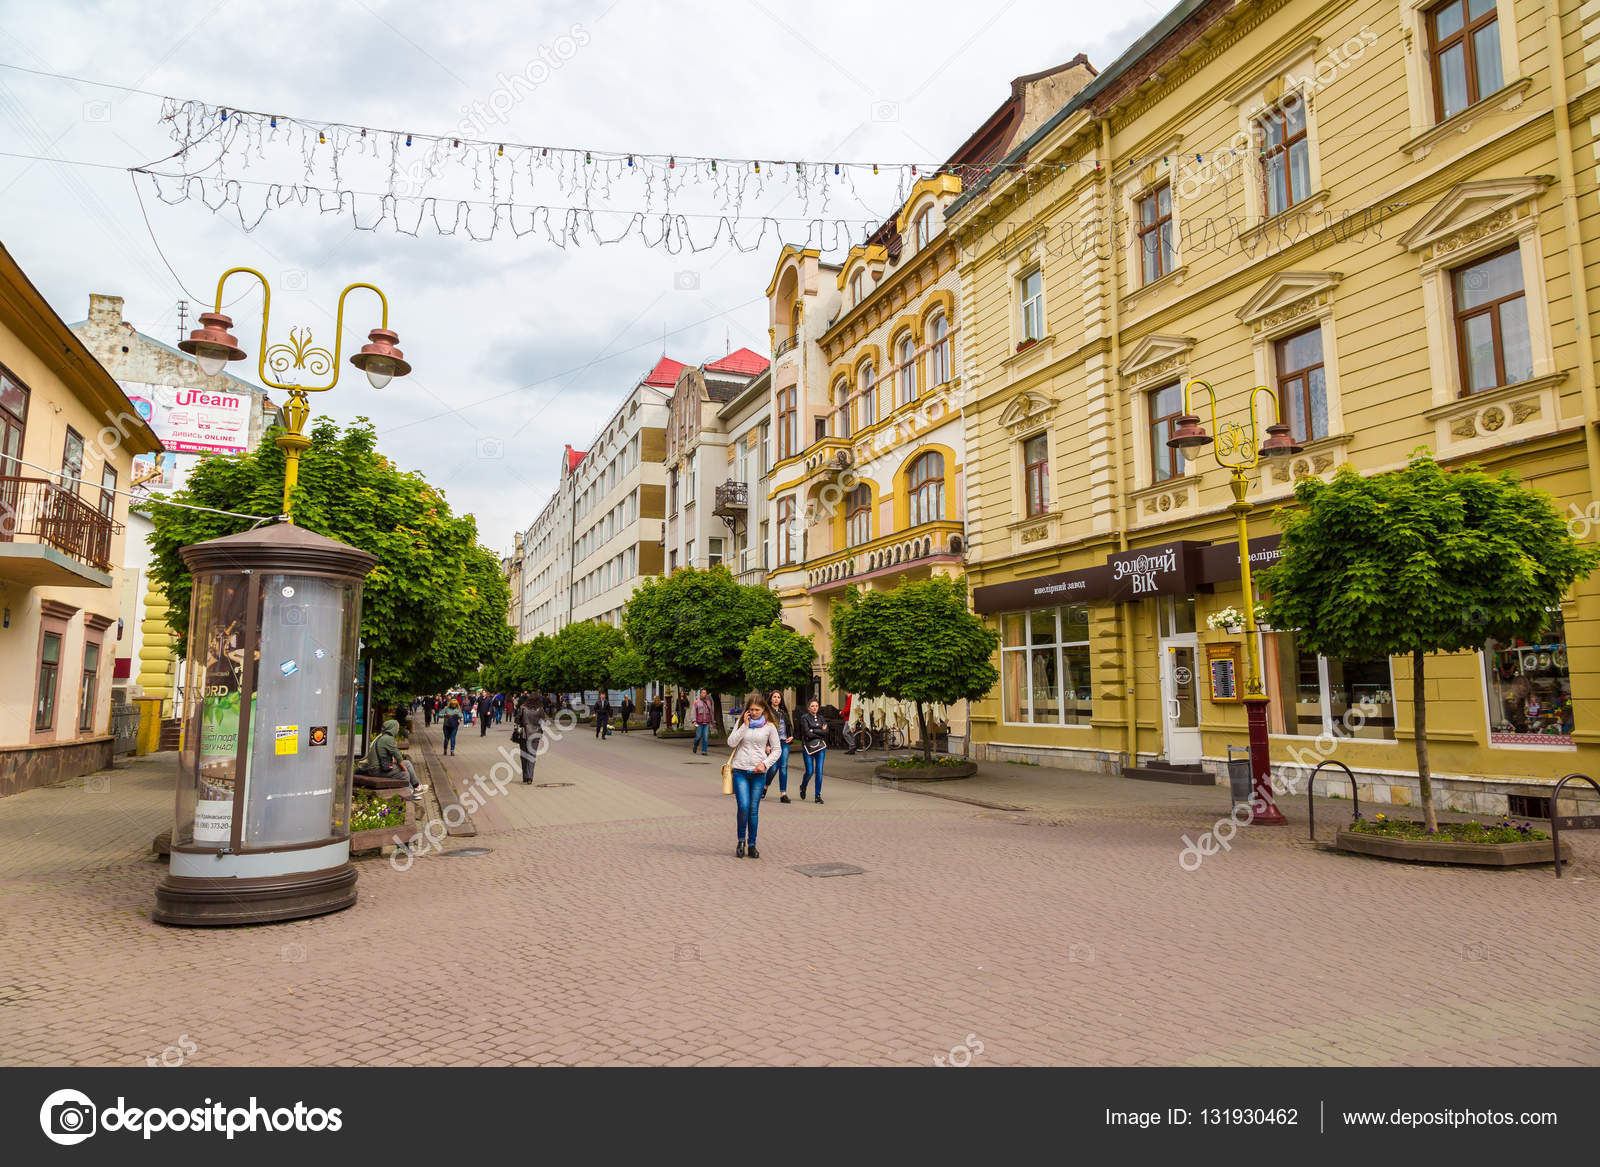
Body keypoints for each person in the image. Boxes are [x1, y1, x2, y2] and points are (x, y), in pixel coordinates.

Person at [727, 692, 780, 859]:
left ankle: (752, 844)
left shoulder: (769, 726)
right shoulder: (742, 722)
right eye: (751, 709)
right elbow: (731, 743)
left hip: (758, 772)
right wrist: (744, 725)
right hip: (740, 770)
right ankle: (741, 841)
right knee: (743, 806)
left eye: (757, 710)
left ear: (763, 709)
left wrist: (765, 764)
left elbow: (777, 749)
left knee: (753, 810)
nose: (754, 712)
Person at [357, 718, 428, 802]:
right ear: (392, 728)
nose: (397, 730)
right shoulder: (388, 739)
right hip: (376, 770)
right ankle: (415, 789)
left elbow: (390, 757)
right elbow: (399, 757)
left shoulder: (382, 737)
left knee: (406, 769)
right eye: (397, 728)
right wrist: (404, 768)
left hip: (376, 768)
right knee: (406, 770)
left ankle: (413, 791)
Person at [763, 689, 794, 803]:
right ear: (771, 699)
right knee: (774, 767)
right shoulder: (767, 713)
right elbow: (764, 729)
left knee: (784, 767)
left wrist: (791, 736)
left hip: (784, 742)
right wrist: (766, 745)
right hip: (773, 743)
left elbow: (789, 726)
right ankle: (765, 786)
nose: (776, 699)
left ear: (781, 700)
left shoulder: (783, 713)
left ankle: (783, 794)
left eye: (778, 697)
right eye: (774, 697)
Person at [798, 697, 827, 804]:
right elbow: (807, 733)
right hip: (808, 747)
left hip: (820, 747)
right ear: (808, 708)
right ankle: (803, 786)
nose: (815, 708)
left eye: (816, 706)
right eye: (812, 706)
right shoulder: (804, 718)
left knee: (819, 771)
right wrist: (819, 731)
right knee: (809, 771)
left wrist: (813, 730)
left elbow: (826, 732)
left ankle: (817, 796)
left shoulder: (821, 718)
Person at [514, 694, 545, 784]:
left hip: (524, 734)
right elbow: (543, 721)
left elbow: (517, 720)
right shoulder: (540, 709)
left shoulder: (523, 707)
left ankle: (525, 776)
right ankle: (530, 777)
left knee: (524, 755)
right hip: (535, 734)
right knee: (532, 755)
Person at [691, 689, 713, 755]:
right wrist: (694, 721)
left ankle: (704, 751)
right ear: (700, 694)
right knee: (698, 736)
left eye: (705, 693)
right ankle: (695, 744)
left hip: (706, 722)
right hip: (699, 722)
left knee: (705, 737)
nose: (704, 694)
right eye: (703, 693)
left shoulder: (708, 702)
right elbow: (693, 712)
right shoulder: (696, 702)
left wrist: (712, 721)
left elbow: (711, 712)